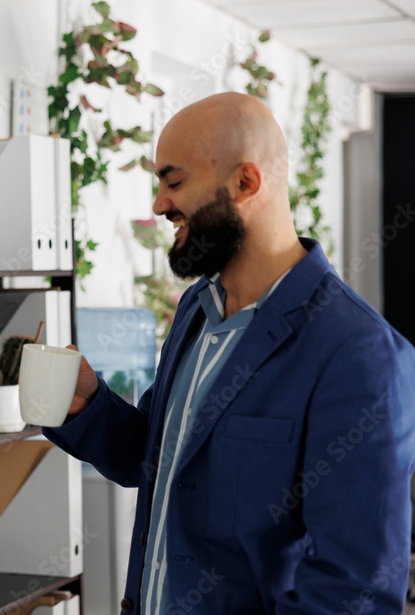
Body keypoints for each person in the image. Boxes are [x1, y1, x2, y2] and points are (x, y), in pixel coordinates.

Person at [45, 92, 415, 613]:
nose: (158, 205)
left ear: (245, 183)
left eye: (173, 182)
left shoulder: (359, 354)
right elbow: (160, 459)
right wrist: (86, 403)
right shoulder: (198, 307)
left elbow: (352, 593)